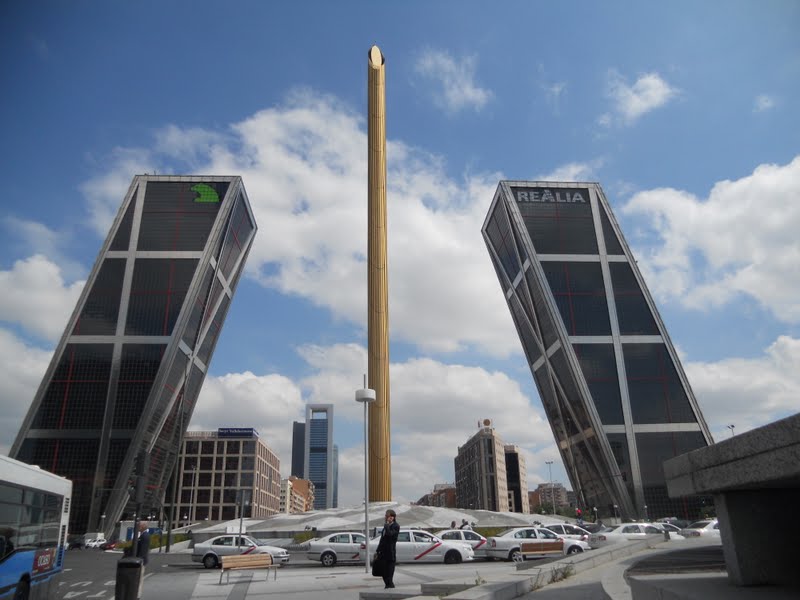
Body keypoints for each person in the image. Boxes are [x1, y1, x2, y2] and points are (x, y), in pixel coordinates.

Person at [375, 509, 399, 589]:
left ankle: (390, 587)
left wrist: (386, 526)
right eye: (386, 516)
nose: (386, 517)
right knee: (383, 571)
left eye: (388, 516)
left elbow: (390, 534)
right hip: (382, 552)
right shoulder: (386, 526)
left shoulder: (395, 526)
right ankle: (388, 586)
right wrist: (377, 550)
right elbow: (382, 539)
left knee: (389, 573)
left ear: (392, 517)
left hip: (390, 553)